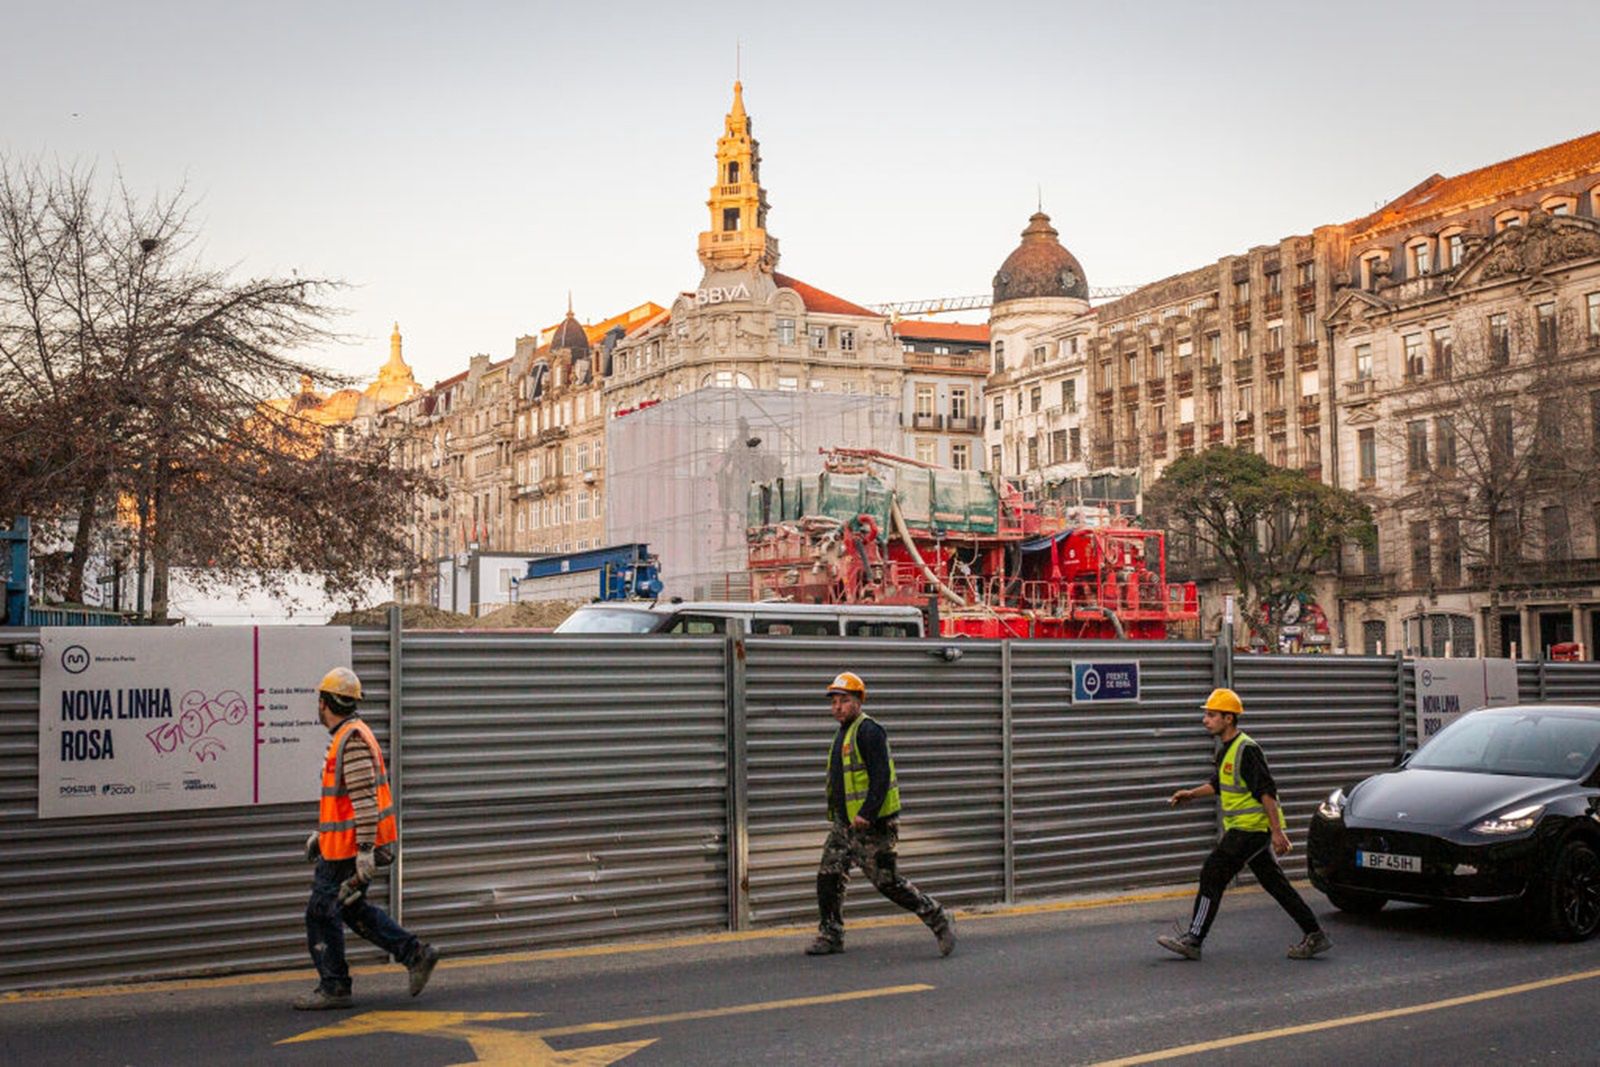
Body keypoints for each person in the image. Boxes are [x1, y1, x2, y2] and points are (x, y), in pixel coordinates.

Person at [294, 667, 439, 1010]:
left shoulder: (352, 740)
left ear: (326, 702)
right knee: (351, 908)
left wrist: (363, 852)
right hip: (342, 844)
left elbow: (364, 800)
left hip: (348, 851)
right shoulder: (349, 734)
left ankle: (334, 986)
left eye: (319, 700)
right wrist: (323, 833)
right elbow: (345, 800)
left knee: (320, 912)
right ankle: (415, 954)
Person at [1159, 687, 1331, 961]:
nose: (1206, 720)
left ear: (1229, 719)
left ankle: (1194, 938)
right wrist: (1191, 794)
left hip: (1250, 830)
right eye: (1207, 715)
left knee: (1212, 874)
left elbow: (1267, 791)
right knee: (1275, 884)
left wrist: (1276, 831)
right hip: (1248, 830)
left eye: (1212, 715)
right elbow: (1219, 784)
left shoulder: (1247, 750)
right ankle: (1315, 934)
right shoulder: (1227, 750)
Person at [807, 671, 955, 958]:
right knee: (828, 875)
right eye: (834, 701)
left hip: (872, 825)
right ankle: (831, 934)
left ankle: (938, 917)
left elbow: (881, 776)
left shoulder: (869, 731)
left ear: (859, 702)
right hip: (846, 825)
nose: (837, 707)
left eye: (844, 701)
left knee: (887, 882)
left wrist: (868, 812)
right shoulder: (843, 733)